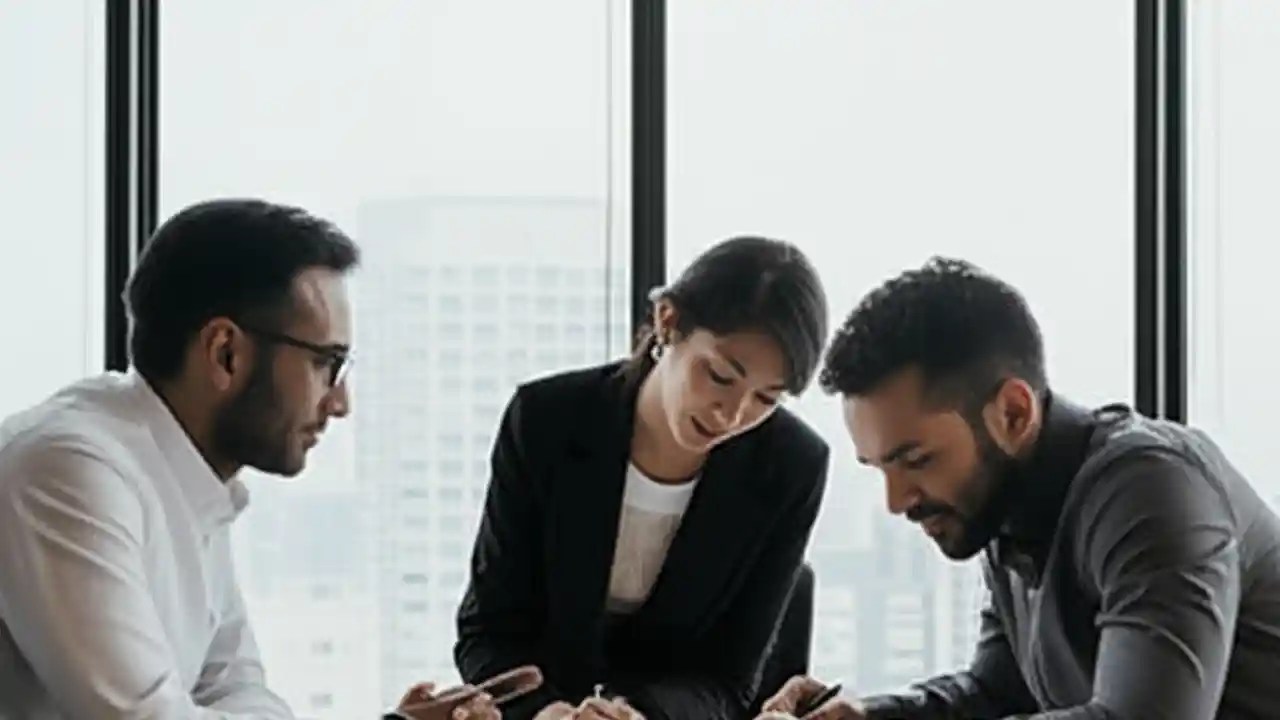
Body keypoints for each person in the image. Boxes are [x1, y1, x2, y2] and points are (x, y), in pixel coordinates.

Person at [0, 199, 496, 720]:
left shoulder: (187, 477)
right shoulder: (70, 470)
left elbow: (240, 692)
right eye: (326, 364)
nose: (340, 403)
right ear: (225, 353)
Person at [759, 257, 1280, 720]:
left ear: (1013, 412)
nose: (897, 501)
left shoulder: (1151, 490)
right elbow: (997, 692)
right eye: (879, 468)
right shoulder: (1003, 508)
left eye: (916, 460)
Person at [455, 236, 832, 720]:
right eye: (719, 375)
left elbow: (730, 678)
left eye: (766, 399)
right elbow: (488, 631)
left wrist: (637, 715)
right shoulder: (546, 421)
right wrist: (546, 713)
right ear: (668, 322)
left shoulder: (791, 465)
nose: (731, 415)